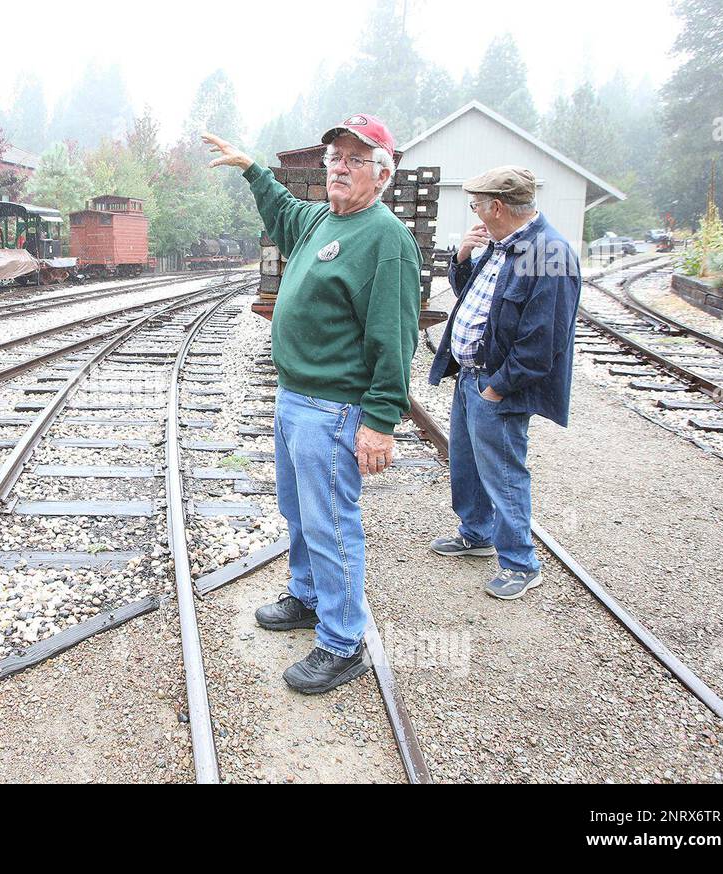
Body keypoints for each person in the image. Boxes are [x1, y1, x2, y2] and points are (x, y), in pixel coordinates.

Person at [203, 114, 421, 694]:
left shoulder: (386, 239)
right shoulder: (323, 220)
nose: (339, 168)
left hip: (334, 408)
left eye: (354, 159)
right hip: (295, 398)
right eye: (334, 159)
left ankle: (343, 641)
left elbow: (395, 337)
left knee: (331, 526)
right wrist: (251, 168)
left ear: (382, 174)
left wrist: (379, 422)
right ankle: (306, 595)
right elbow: (281, 208)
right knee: (298, 512)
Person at [426, 166, 582, 600]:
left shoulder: (549, 253)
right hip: (470, 378)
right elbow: (469, 296)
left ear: (497, 206)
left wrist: (496, 387)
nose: (473, 211)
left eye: (476, 204)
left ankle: (520, 563)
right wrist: (460, 258)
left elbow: (543, 342)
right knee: (466, 462)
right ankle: (476, 533)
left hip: (496, 386)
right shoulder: (500, 244)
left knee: (504, 473)